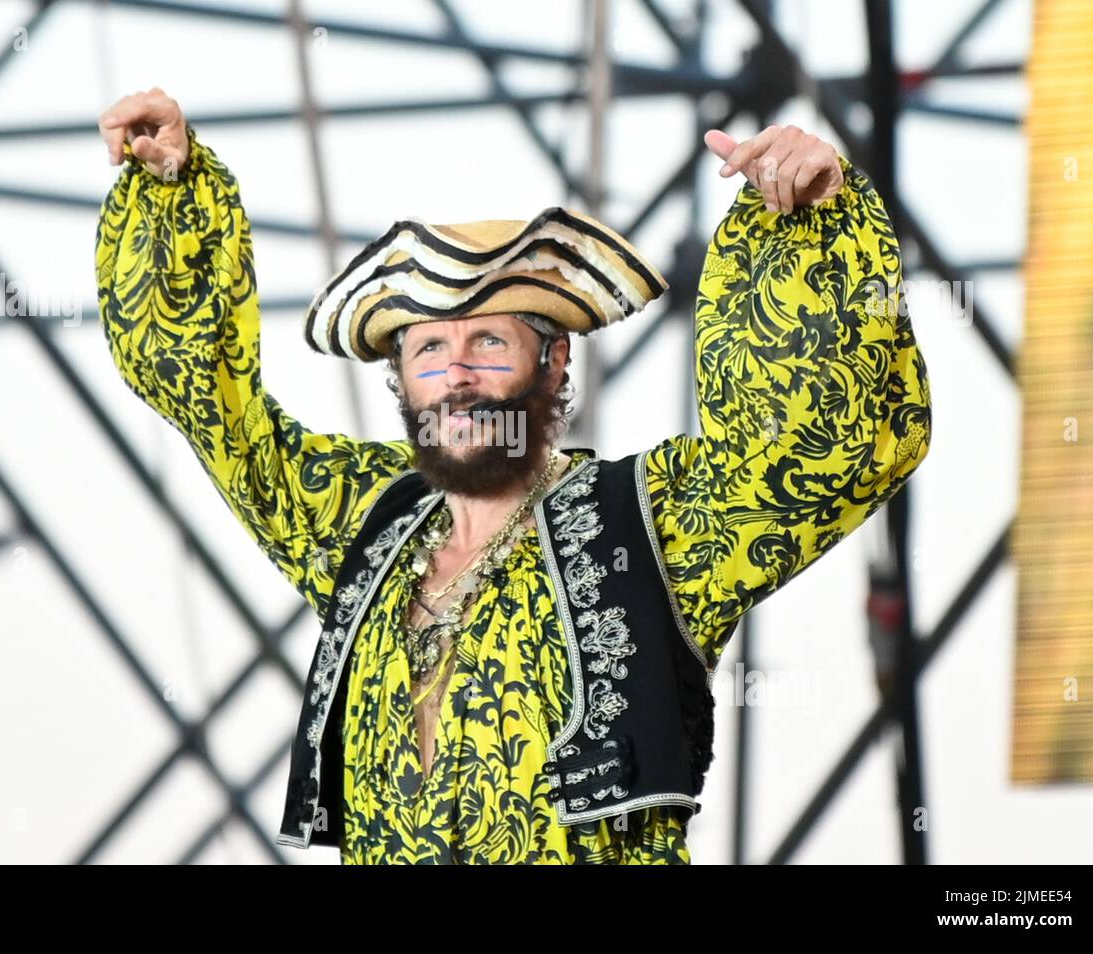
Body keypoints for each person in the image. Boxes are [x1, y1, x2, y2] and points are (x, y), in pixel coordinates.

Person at [94, 88, 931, 864]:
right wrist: (173, 193)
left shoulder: (649, 526)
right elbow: (212, 408)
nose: (456, 373)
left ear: (554, 357)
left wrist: (811, 226)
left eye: (487, 342)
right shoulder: (368, 523)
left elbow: (825, 449)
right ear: (401, 380)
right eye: (428, 349)